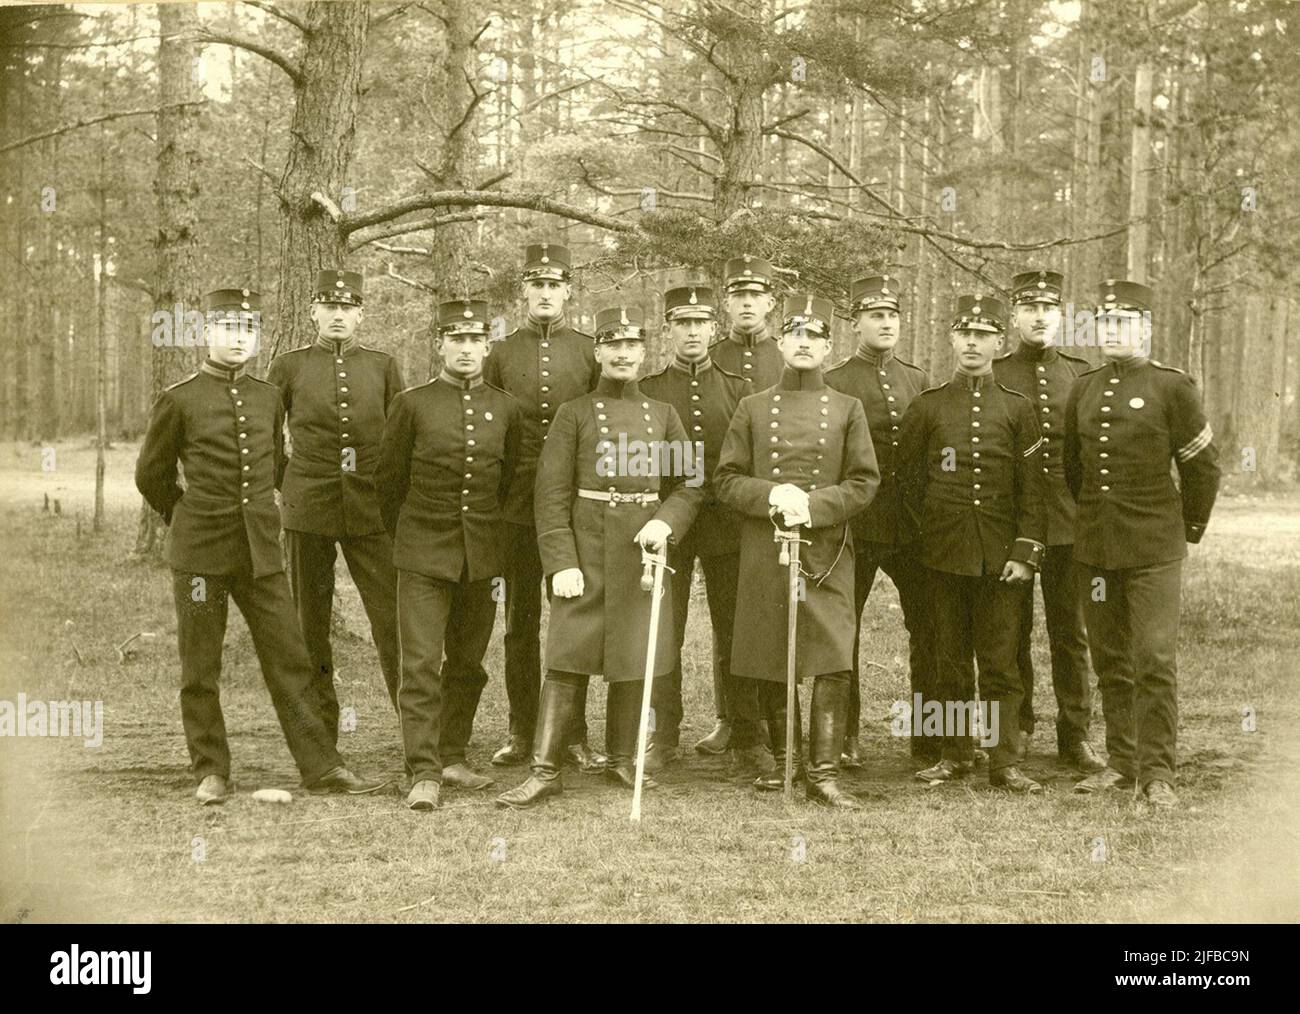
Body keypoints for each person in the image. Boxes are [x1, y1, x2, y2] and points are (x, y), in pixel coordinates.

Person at [135, 288, 385, 804]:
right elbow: (151, 475)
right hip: (200, 557)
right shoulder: (179, 398)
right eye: (228, 329)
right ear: (207, 334)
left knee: (290, 658)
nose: (237, 339)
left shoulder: (269, 396)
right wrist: (184, 515)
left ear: (257, 338)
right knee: (200, 666)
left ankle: (321, 766)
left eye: (247, 330)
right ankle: (211, 770)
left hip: (261, 554)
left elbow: (273, 466)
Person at [495, 305, 703, 810]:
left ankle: (622, 759)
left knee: (634, 655)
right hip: (585, 546)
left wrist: (665, 521)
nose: (623, 354)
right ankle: (546, 768)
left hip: (641, 547)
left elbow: (691, 483)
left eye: (632, 346)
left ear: (643, 352)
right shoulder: (575, 413)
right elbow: (550, 494)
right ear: (598, 352)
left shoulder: (662, 415)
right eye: (613, 345)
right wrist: (560, 561)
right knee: (567, 652)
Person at [715, 294, 880, 808]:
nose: (804, 344)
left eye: (815, 337)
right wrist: (770, 496)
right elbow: (725, 480)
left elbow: (864, 481)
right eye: (796, 336)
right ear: (780, 343)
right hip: (766, 547)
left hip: (828, 547)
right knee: (772, 652)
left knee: (831, 653)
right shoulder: (753, 406)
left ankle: (825, 772)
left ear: (829, 348)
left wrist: (814, 504)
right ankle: (786, 762)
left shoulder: (849, 408)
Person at [1065, 279, 1220, 810]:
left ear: (1146, 330)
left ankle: (1158, 772)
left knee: (1153, 658)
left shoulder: (1173, 388)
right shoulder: (1083, 388)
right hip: (1097, 548)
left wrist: (1186, 528)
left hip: (1155, 548)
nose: (1112, 331)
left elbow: (1202, 467)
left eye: (1123, 323)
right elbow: (1073, 469)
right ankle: (1122, 761)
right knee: (1109, 656)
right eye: (1105, 323)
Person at [375, 299, 522, 810]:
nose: (465, 349)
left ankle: (453, 753)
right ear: (438, 344)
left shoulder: (506, 408)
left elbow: (507, 482)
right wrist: (409, 538)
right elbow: (387, 481)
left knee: (467, 663)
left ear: (487, 346)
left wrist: (486, 538)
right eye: (454, 339)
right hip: (421, 552)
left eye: (474, 340)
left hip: (480, 555)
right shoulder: (412, 404)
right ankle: (422, 769)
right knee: (418, 663)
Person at [897, 294, 1047, 793]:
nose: (973, 343)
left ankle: (1005, 761)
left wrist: (1025, 553)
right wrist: (928, 543)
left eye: (983, 335)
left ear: (998, 343)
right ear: (952, 339)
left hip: (1003, 560)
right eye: (965, 334)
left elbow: (1033, 489)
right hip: (942, 558)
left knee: (1002, 661)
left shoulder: (1018, 409)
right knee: (949, 659)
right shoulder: (928, 405)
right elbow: (908, 483)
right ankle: (955, 753)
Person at [266, 269, 404, 740]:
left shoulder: (383, 366)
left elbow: (400, 440)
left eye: (347, 308)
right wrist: (296, 483)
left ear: (361, 314)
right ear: (313, 312)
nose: (338, 315)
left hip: (371, 511)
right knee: (310, 625)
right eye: (329, 307)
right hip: (308, 510)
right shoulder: (288, 366)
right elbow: (267, 442)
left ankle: (418, 733)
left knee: (395, 622)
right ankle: (320, 737)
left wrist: (387, 494)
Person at [483, 242, 605, 772]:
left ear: (568, 291)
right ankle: (520, 727)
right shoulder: (501, 352)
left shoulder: (588, 351)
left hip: (573, 509)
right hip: (513, 506)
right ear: (523, 292)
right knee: (519, 623)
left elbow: (603, 426)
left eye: (555, 285)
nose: (546, 294)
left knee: (572, 619)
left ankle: (573, 733)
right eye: (537, 285)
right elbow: (484, 426)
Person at [639, 283, 767, 775]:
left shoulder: (739, 389)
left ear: (714, 329)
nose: (691, 332)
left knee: (736, 629)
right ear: (667, 330)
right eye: (681, 323)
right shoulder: (649, 390)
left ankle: (747, 734)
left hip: (728, 524)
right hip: (667, 523)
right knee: (661, 630)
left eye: (700, 323)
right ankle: (663, 735)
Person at [825, 274, 938, 767]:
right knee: (843, 627)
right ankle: (845, 737)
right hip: (857, 526)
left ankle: (930, 737)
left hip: (912, 527)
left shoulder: (917, 379)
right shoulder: (835, 382)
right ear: (855, 324)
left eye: (892, 315)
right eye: (875, 315)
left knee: (931, 627)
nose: (885, 323)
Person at [692, 253, 784, 755]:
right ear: (725, 304)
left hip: (766, 507)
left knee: (758, 616)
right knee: (724, 621)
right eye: (737, 295)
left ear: (770, 303)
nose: (747, 304)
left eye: (756, 296)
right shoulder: (712, 354)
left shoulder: (787, 353)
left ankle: (769, 719)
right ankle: (730, 717)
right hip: (712, 508)